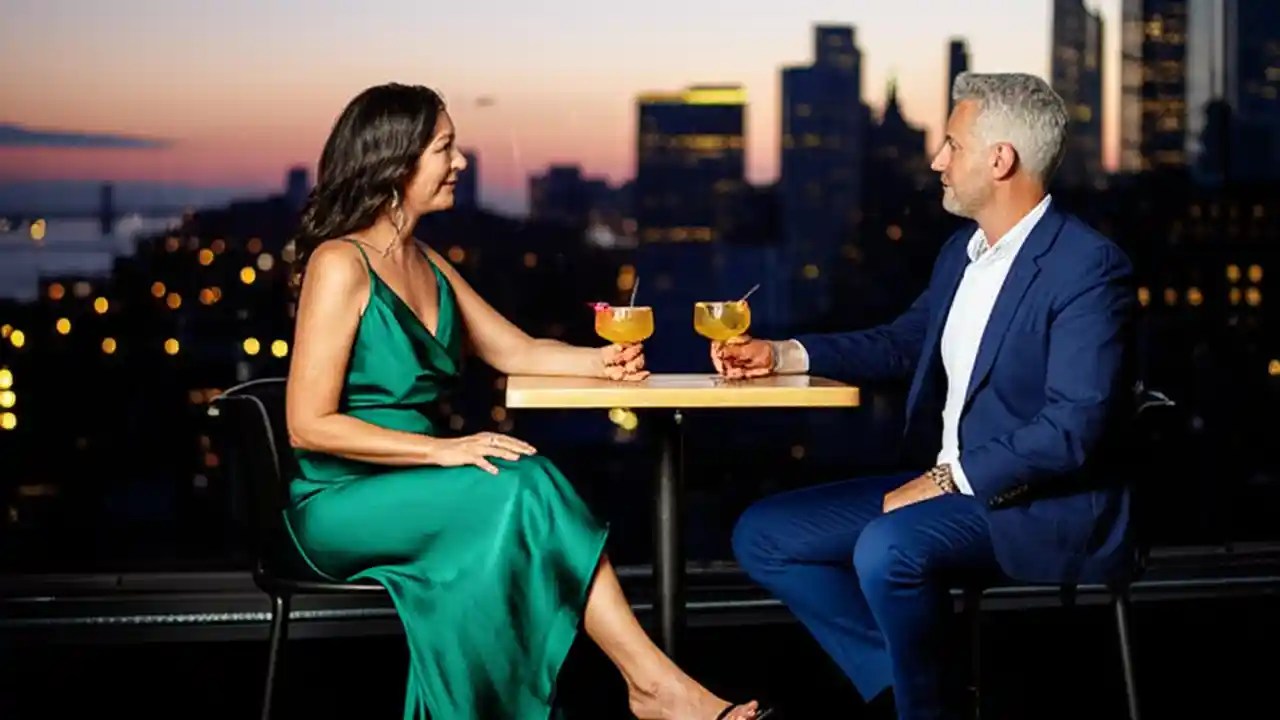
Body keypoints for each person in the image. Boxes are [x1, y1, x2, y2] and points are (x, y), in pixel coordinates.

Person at [284, 82, 768, 720]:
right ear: (396, 162)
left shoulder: (424, 261)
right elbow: (306, 426)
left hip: (423, 484)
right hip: (341, 499)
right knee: (522, 483)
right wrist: (442, 450)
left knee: (525, 478)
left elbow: (516, 351)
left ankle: (655, 688)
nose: (460, 162)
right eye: (444, 148)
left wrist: (601, 363)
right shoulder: (339, 263)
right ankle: (656, 689)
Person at [715, 72, 1136, 718]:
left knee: (887, 547)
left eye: (951, 145)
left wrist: (947, 480)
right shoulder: (961, 254)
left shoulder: (1086, 265)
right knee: (763, 534)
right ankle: (915, 691)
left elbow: (1071, 430)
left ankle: (924, 703)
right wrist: (784, 354)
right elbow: (899, 343)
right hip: (953, 489)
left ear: (1001, 160)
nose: (936, 160)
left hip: (1040, 505)